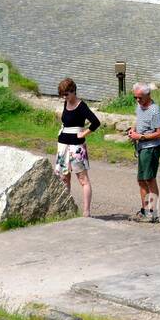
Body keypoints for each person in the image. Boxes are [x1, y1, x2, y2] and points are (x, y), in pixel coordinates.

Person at [53, 78, 99, 216]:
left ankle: (86, 211)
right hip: (63, 144)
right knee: (64, 177)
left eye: (66, 94)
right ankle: (66, 210)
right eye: (62, 94)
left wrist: (84, 133)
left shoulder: (81, 106)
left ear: (73, 92)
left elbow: (95, 122)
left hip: (76, 147)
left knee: (83, 179)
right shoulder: (65, 103)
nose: (64, 97)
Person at [127, 82, 160, 223]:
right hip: (142, 146)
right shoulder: (139, 106)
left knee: (149, 179)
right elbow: (138, 120)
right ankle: (145, 211)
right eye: (135, 97)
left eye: (140, 98)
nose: (137, 100)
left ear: (148, 95)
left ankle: (153, 213)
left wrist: (141, 137)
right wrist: (133, 130)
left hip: (152, 147)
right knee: (141, 180)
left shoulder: (154, 110)